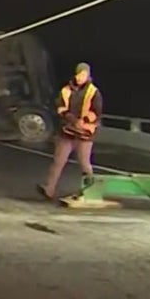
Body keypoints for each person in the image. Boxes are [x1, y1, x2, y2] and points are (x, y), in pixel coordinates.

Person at [37, 62, 103, 200]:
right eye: (79, 74)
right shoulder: (65, 90)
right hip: (67, 132)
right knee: (58, 161)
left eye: (83, 75)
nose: (80, 77)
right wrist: (73, 120)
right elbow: (60, 109)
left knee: (85, 163)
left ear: (88, 76)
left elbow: (96, 112)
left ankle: (89, 191)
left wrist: (84, 121)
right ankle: (49, 189)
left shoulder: (94, 92)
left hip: (84, 134)